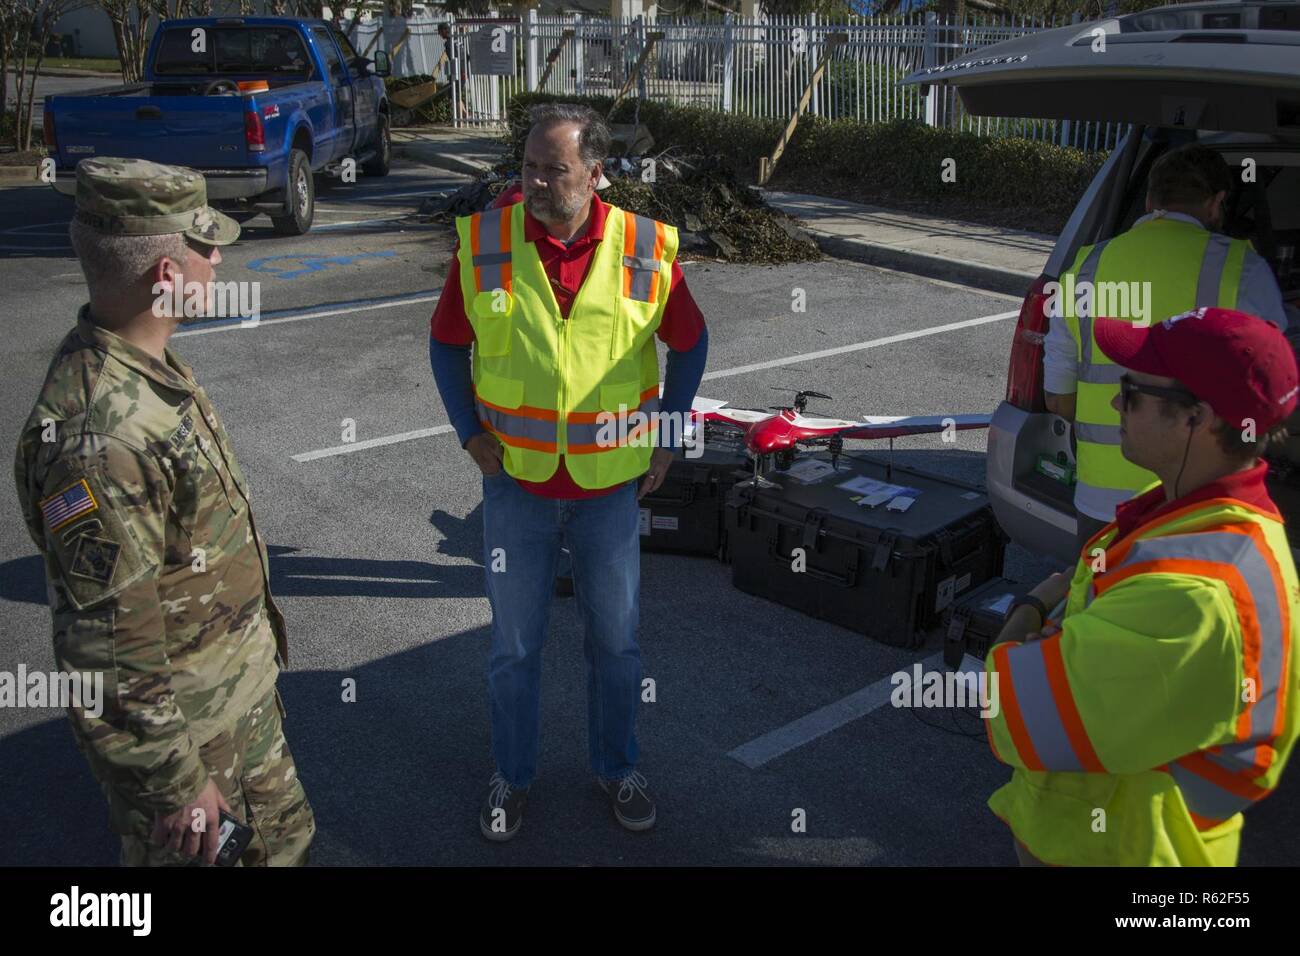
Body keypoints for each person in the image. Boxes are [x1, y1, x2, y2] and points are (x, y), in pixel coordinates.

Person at [13, 158, 315, 867]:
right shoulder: (99, 436)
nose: (218, 258)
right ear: (166, 277)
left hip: (230, 707)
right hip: (193, 745)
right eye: (206, 245)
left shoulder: (146, 367)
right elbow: (106, 645)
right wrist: (175, 787)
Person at [429, 103, 709, 841]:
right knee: (514, 649)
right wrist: (468, 433)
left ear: (596, 173)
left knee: (615, 646)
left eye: (553, 170)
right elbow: (444, 344)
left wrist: (670, 436)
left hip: (609, 491)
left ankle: (617, 770)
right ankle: (512, 778)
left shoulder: (645, 248)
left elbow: (693, 341)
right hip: (514, 487)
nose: (536, 182)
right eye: (528, 167)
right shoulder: (486, 241)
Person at [988, 306, 1300, 866]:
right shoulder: (1202, 519)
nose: (1114, 403)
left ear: (1196, 420)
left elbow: (1014, 713)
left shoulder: (1191, 596)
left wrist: (1030, 610)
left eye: (1131, 391)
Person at [1043, 144, 1289, 556]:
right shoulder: (1242, 270)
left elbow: (1058, 400)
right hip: (1196, 504)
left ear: (1149, 200)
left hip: (1101, 505)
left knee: (1097, 603)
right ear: (1217, 203)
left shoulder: (1085, 269)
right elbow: (1270, 392)